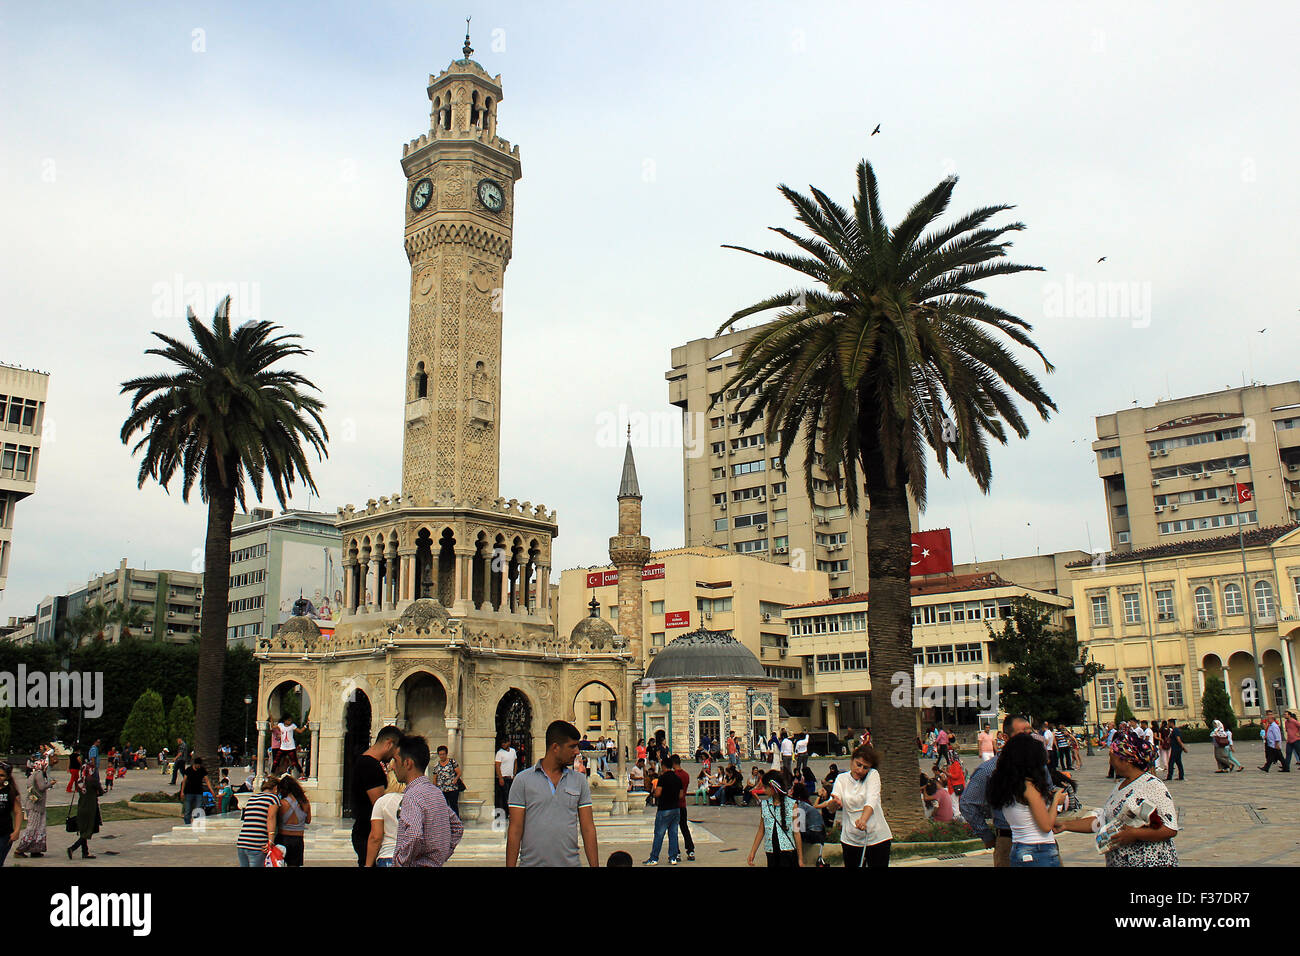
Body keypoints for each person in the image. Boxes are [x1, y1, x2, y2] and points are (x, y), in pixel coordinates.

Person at [1055, 728, 1180, 867]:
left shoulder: (1152, 785)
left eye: (1112, 757)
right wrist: (1066, 825)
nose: (1110, 761)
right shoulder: (1121, 785)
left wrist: (1135, 834)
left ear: (1125, 760)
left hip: (1150, 861)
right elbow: (1104, 820)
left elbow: (1170, 828)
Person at [507, 720, 599, 867]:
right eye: (572, 746)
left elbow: (588, 828)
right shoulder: (523, 780)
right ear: (555, 747)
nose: (577, 752)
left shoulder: (579, 781)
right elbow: (515, 829)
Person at [987, 733, 1068, 867]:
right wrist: (1056, 801)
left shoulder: (1006, 785)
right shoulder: (1029, 787)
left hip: (1019, 847)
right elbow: (1046, 826)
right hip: (1039, 850)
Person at [961, 714, 1031, 866]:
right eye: (1021, 734)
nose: (1027, 738)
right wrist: (986, 835)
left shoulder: (1038, 765)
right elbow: (967, 803)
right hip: (1009, 841)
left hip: (1042, 843)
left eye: (1029, 733)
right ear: (1006, 737)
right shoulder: (989, 770)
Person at [393, 734, 462, 867]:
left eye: (395, 761)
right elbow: (457, 827)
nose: (393, 766)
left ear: (407, 763)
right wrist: (438, 857)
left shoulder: (412, 795)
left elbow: (414, 835)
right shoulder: (435, 793)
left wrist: (400, 862)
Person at [829, 744, 892, 868]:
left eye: (865, 767)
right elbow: (832, 806)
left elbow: (871, 800)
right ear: (852, 760)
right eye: (858, 764)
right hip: (850, 840)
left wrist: (863, 820)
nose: (861, 770)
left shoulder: (873, 775)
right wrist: (833, 803)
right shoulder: (841, 779)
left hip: (877, 838)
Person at [350, 724, 401, 866]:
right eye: (395, 752)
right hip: (367, 833)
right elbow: (379, 806)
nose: (394, 757)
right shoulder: (370, 765)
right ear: (389, 744)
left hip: (364, 831)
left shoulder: (365, 762)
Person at [748, 771, 802, 867]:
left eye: (765, 787)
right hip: (771, 851)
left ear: (773, 788)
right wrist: (753, 852)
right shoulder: (764, 805)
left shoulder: (793, 804)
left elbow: (797, 833)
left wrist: (800, 858)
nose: (764, 790)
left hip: (788, 851)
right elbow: (761, 830)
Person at [644, 749, 684, 865]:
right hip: (676, 809)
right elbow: (681, 795)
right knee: (673, 834)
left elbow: (658, 793)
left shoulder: (662, 778)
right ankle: (673, 857)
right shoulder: (677, 778)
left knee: (659, 834)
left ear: (663, 766)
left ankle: (654, 858)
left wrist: (656, 792)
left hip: (664, 809)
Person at [13, 752, 52, 858]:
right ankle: (20, 849)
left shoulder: (33, 774)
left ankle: (35, 849)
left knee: (40, 827)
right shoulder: (39, 774)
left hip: (35, 805)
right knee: (33, 827)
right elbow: (41, 787)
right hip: (36, 806)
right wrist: (50, 784)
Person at [235, 777, 280, 867]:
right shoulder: (273, 798)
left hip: (242, 842)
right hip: (257, 844)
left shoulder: (253, 798)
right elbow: (271, 817)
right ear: (275, 788)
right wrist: (271, 840)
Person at [365, 772, 406, 867]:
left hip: (388, 855)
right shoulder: (416, 800)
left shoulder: (382, 802)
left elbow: (376, 837)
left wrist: (368, 864)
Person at [66, 765, 101, 860]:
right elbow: (100, 791)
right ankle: (72, 848)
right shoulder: (92, 780)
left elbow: (79, 791)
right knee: (88, 830)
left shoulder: (79, 781)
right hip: (91, 808)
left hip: (81, 807)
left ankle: (85, 852)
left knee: (83, 830)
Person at [669, 754, 696, 861]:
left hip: (674, 805)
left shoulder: (673, 775)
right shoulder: (686, 775)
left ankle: (676, 853)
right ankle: (690, 850)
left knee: (673, 829)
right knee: (684, 827)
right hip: (683, 804)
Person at [793, 782, 825, 866]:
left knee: (795, 834)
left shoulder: (800, 805)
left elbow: (800, 827)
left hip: (815, 834)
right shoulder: (805, 804)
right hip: (819, 833)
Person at [181, 755, 216, 825]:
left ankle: (195, 823)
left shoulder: (202, 770)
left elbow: (207, 781)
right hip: (189, 792)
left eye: (200, 765)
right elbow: (184, 781)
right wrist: (182, 792)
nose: (199, 766)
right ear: (194, 764)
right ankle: (187, 824)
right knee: (187, 810)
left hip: (199, 793)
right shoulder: (188, 770)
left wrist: (212, 791)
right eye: (198, 765)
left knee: (198, 809)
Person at [0, 764, 23, 866]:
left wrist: (17, 831)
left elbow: (18, 812)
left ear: (7, 777)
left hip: (4, 834)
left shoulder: (10, 791)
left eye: (2, 775)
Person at [432, 745, 464, 817]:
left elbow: (459, 772)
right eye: (440, 754)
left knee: (453, 806)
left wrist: (455, 779)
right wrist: (434, 789)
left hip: (452, 788)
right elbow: (435, 778)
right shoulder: (436, 765)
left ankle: (456, 822)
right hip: (442, 789)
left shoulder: (452, 762)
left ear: (446, 754)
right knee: (443, 807)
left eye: (443, 754)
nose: (442, 756)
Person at [495, 737, 518, 814]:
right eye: (502, 743)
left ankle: (509, 812)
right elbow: (497, 766)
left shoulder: (513, 751)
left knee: (510, 795)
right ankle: (503, 813)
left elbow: (515, 762)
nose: (503, 744)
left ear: (509, 743)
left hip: (510, 777)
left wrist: (514, 774)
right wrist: (500, 778)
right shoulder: (499, 753)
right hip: (503, 778)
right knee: (503, 797)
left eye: (505, 742)